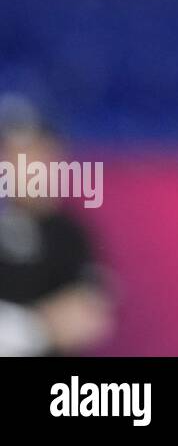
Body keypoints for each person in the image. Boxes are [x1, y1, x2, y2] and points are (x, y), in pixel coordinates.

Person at [0, 95, 113, 356]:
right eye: (17, 155)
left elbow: (87, 316)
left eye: (37, 153)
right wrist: (38, 327)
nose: (29, 166)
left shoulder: (70, 232)